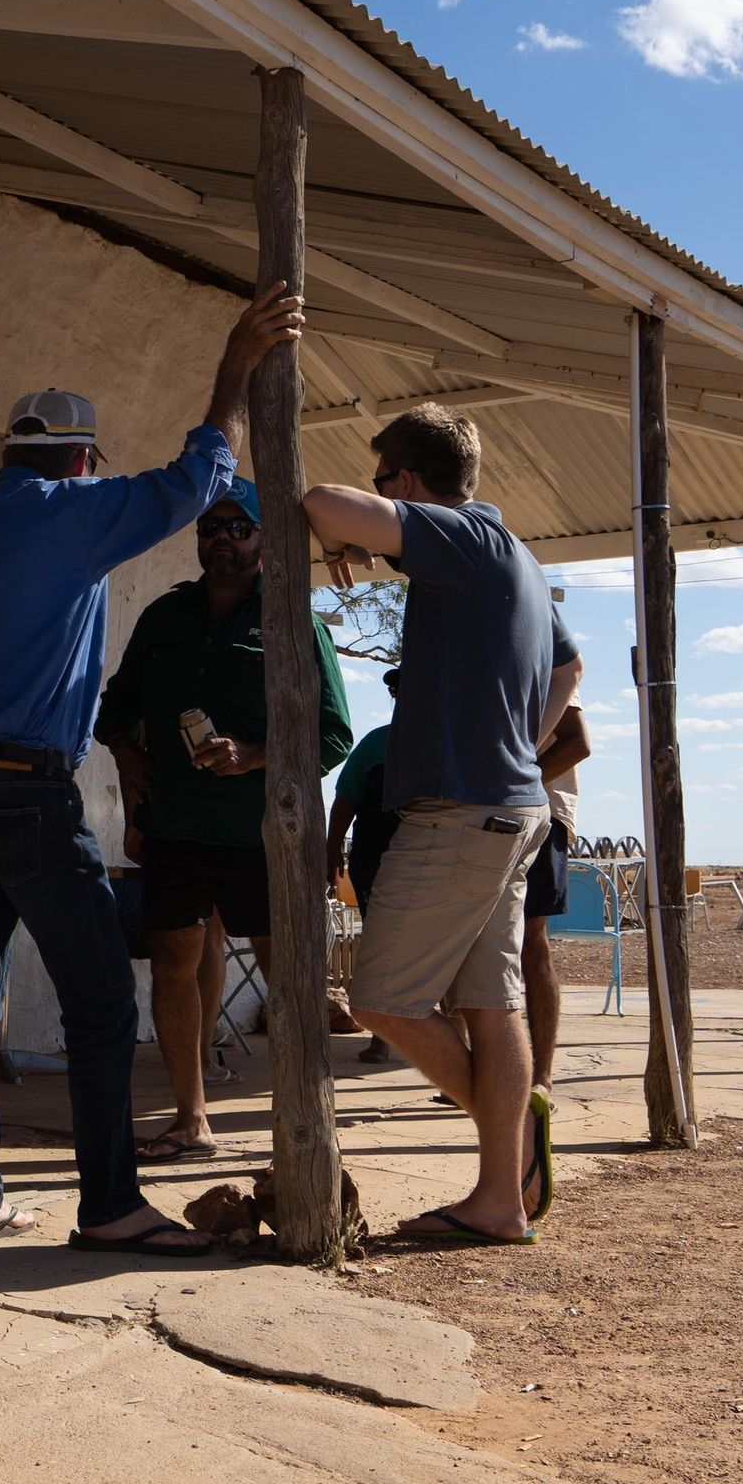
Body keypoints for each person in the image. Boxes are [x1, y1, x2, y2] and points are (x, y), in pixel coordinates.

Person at [0, 283, 305, 1253]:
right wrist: (236, 361)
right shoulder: (75, 511)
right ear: (81, 458)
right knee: (99, 994)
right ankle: (108, 1204)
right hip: (26, 786)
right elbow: (200, 472)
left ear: (9, 451)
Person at [304, 402, 580, 1247]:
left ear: (409, 483)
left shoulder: (465, 540)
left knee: (381, 1000)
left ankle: (512, 1141)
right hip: (508, 805)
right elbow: (568, 665)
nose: (381, 489)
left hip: (460, 811)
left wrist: (360, 538)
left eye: (386, 477)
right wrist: (516, 743)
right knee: (492, 1008)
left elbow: (319, 499)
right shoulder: (515, 558)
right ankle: (499, 1197)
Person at [98, 478, 353, 1160]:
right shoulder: (163, 617)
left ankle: (299, 1119)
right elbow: (113, 710)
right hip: (175, 826)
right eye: (210, 527)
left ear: (265, 540)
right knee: (175, 966)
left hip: (260, 831)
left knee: (286, 972)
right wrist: (130, 760)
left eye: (238, 527)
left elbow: (332, 736)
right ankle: (190, 1119)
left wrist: (255, 755)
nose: (222, 539)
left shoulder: (294, 621)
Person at [517, 629, 590, 1122]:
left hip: (540, 812)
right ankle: (496, 1073)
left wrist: (515, 783)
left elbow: (577, 743)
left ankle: (540, 1077)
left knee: (531, 940)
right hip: (474, 814)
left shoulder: (541, 650)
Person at [327, 712, 401, 1063]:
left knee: (448, 952)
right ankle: (381, 1038)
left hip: (437, 863)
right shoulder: (376, 743)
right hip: (378, 867)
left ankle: (456, 1049)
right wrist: (331, 850)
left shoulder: (450, 739)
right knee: (379, 949)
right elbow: (346, 798)